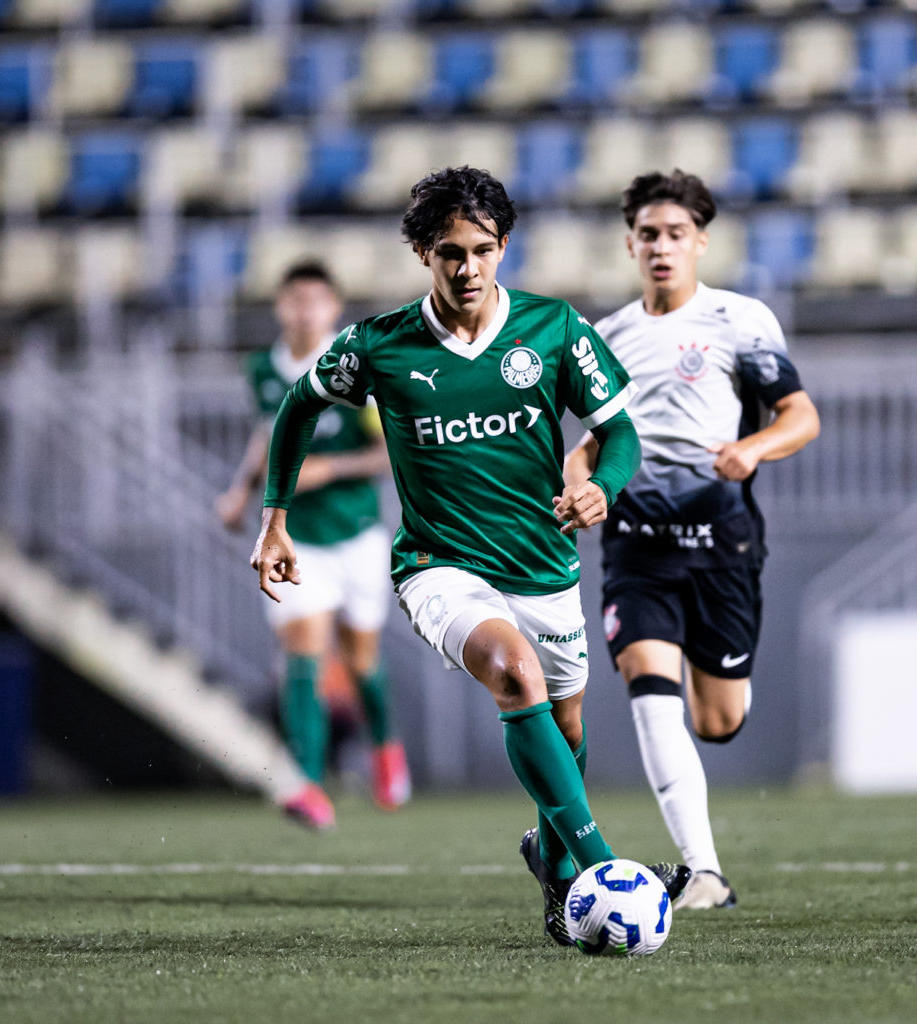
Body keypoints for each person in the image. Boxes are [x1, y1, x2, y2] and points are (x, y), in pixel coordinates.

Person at [249, 166, 690, 944]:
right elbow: (298, 407)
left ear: (503, 248)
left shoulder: (553, 330)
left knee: (567, 727)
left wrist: (604, 487)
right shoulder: (379, 346)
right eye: (450, 252)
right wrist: (274, 518)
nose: (467, 268)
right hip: (438, 566)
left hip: (543, 562)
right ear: (424, 253)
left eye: (482, 250)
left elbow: (620, 431)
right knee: (516, 676)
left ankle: (554, 869)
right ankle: (603, 867)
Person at [565, 170, 820, 911]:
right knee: (652, 696)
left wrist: (757, 448)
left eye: (676, 234)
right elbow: (591, 442)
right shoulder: (606, 338)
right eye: (649, 234)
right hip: (637, 550)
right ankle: (702, 869)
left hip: (723, 546)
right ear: (630, 244)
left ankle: (702, 853)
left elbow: (801, 415)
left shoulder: (740, 322)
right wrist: (580, 475)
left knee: (719, 720)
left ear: (701, 241)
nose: (662, 247)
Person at [217, 260, 410, 830]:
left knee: (360, 658)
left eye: (315, 300)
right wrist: (240, 489)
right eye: (293, 299)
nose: (304, 310)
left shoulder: (355, 368)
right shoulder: (263, 371)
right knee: (302, 651)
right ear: (279, 306)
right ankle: (306, 782)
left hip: (355, 533)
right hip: (293, 535)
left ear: (333, 308)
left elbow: (389, 452)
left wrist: (329, 469)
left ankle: (386, 746)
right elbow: (264, 436)